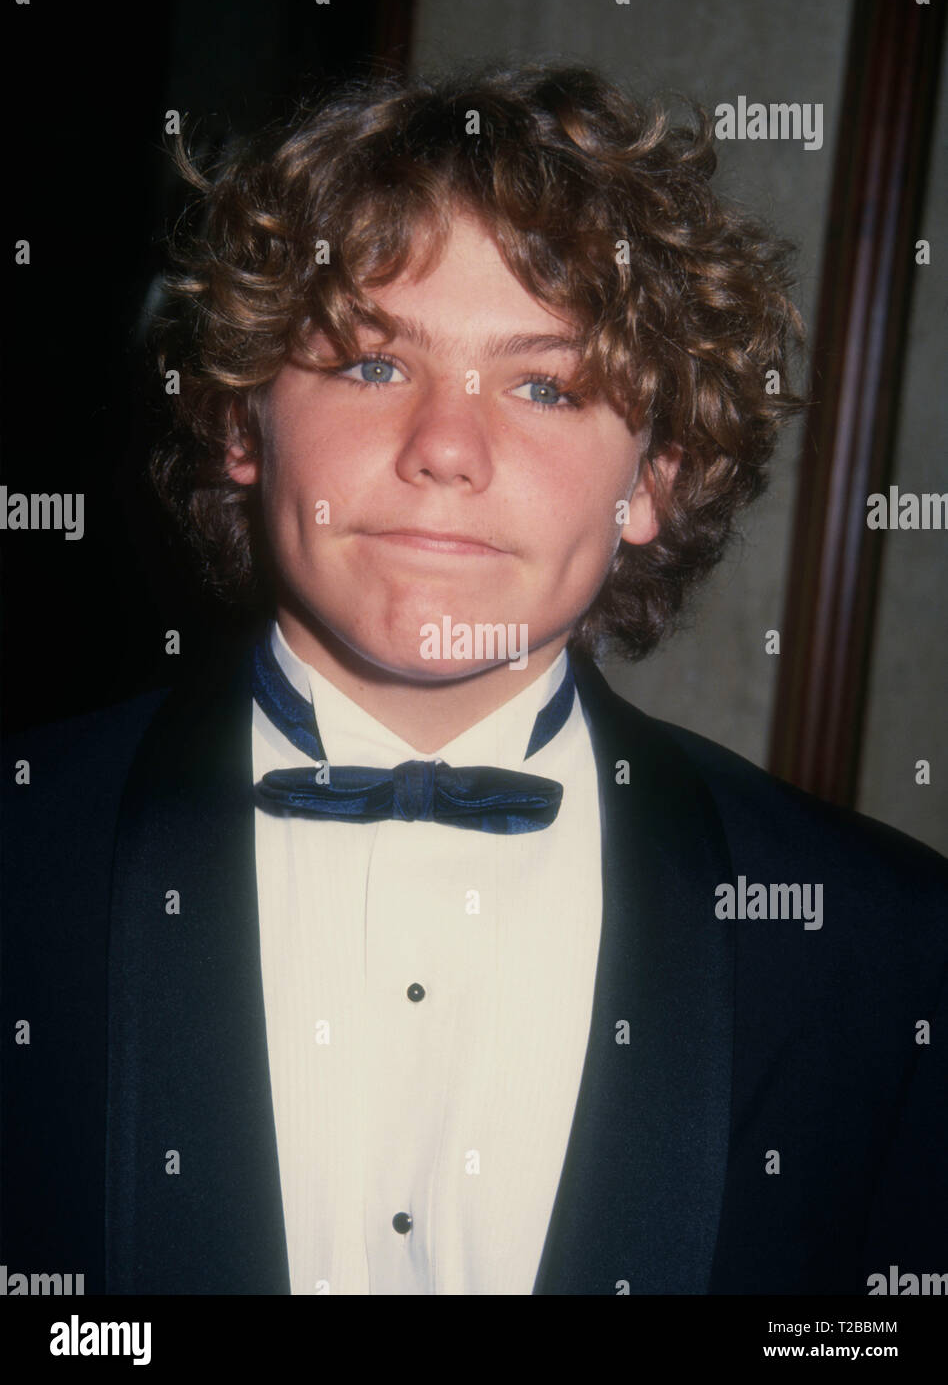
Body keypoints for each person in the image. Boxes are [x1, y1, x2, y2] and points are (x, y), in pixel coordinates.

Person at [2, 63, 945, 1297]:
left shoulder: (885, 947)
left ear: (652, 478)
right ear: (242, 420)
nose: (447, 447)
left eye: (545, 384)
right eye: (373, 363)